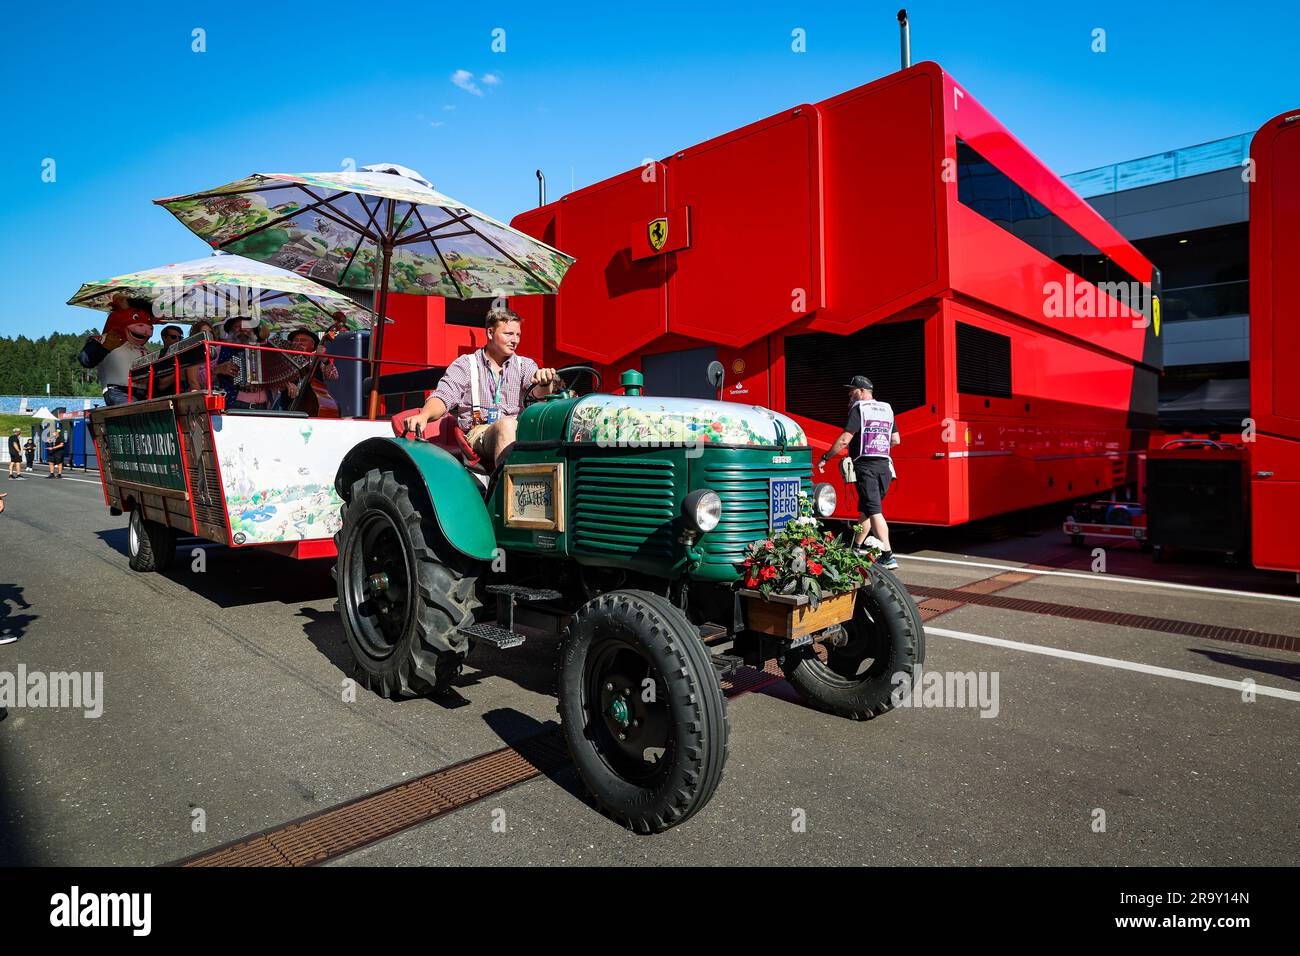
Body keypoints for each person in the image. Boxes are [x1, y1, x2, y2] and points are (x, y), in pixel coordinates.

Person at [400, 306, 560, 467]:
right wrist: (425, 415)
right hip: (479, 432)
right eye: (509, 334)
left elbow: (538, 394)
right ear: (490, 333)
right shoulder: (466, 364)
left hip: (521, 431)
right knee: (506, 425)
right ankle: (506, 489)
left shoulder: (525, 365)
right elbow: (444, 395)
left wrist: (545, 382)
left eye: (518, 335)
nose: (515, 340)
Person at [818, 375, 901, 570]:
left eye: (852, 389)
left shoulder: (859, 409)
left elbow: (845, 439)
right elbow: (896, 440)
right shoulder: (887, 408)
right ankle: (855, 548)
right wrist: (878, 446)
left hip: (866, 468)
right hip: (884, 467)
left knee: (874, 511)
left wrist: (826, 457)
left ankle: (888, 555)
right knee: (866, 509)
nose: (849, 393)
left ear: (862, 391)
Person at [278, 327, 339, 409]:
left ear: (313, 345)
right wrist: (287, 383)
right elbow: (275, 379)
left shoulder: (318, 360)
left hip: (312, 406)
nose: (299, 343)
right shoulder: (285, 359)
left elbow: (333, 376)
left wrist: (325, 360)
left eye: (303, 340)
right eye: (296, 340)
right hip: (288, 406)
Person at [97, 320, 153, 406]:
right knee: (132, 414)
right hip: (118, 390)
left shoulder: (145, 350)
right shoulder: (107, 339)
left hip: (143, 392)